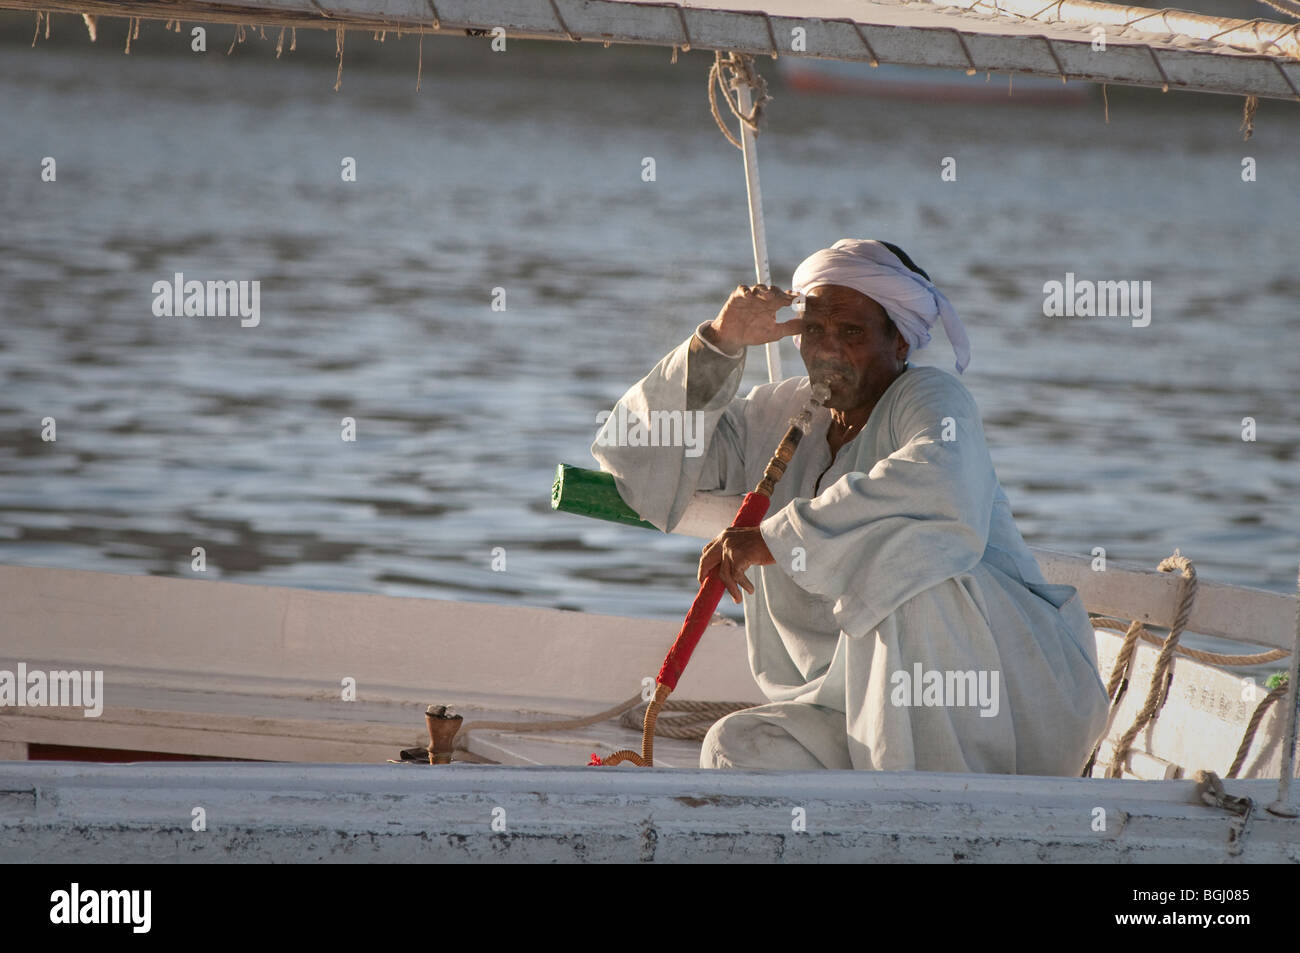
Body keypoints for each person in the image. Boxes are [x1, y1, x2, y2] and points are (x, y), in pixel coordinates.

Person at [591, 239, 1108, 774]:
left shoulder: (932, 400)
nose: (827, 350)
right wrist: (719, 346)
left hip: (1001, 705)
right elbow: (637, 457)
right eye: (813, 330)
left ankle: (922, 809)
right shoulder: (778, 413)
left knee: (906, 575)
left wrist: (777, 539)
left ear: (901, 343)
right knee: (736, 748)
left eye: (852, 333)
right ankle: (875, 807)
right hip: (843, 704)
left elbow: (937, 488)